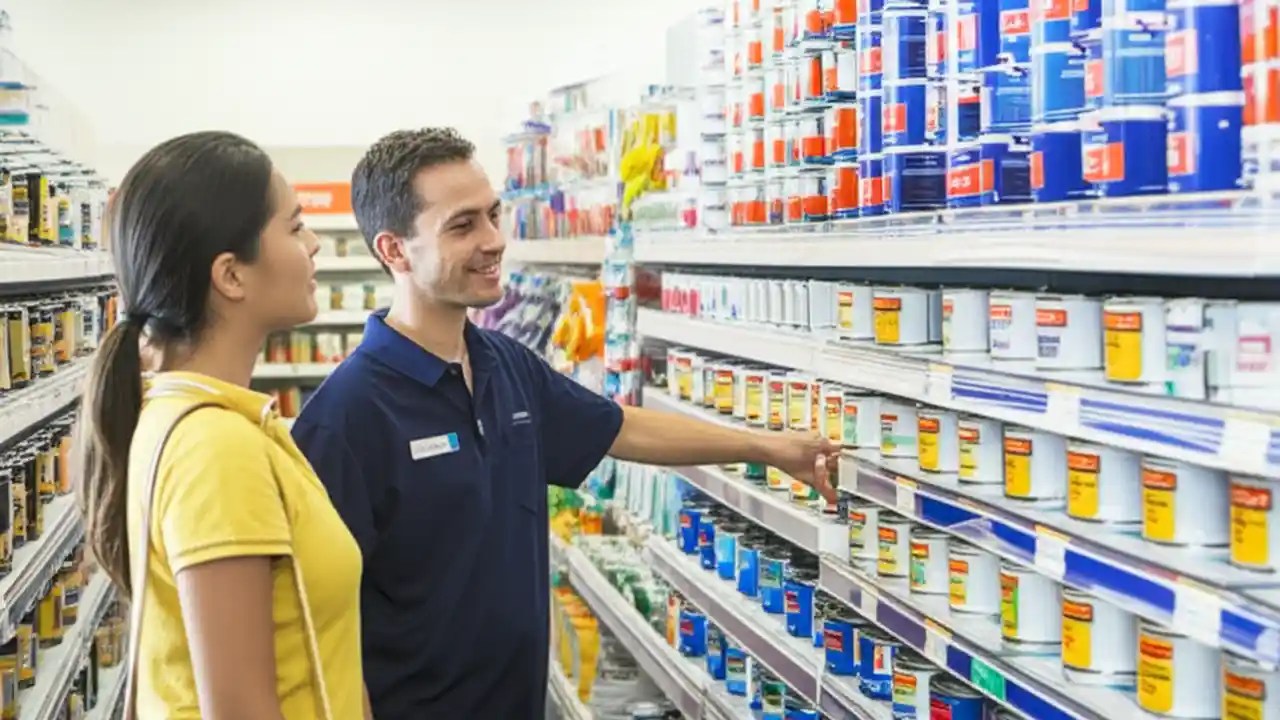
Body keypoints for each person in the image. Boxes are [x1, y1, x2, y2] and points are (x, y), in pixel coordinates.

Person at [291, 127, 840, 719]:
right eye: (463, 225)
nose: (494, 240)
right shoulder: (344, 417)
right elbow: (319, 626)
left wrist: (767, 447)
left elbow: (621, 429)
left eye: (494, 215)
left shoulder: (506, 366)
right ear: (395, 250)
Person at [76, 131, 368, 720]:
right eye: (294, 226)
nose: (313, 244)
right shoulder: (215, 447)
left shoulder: (202, 418)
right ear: (231, 275)